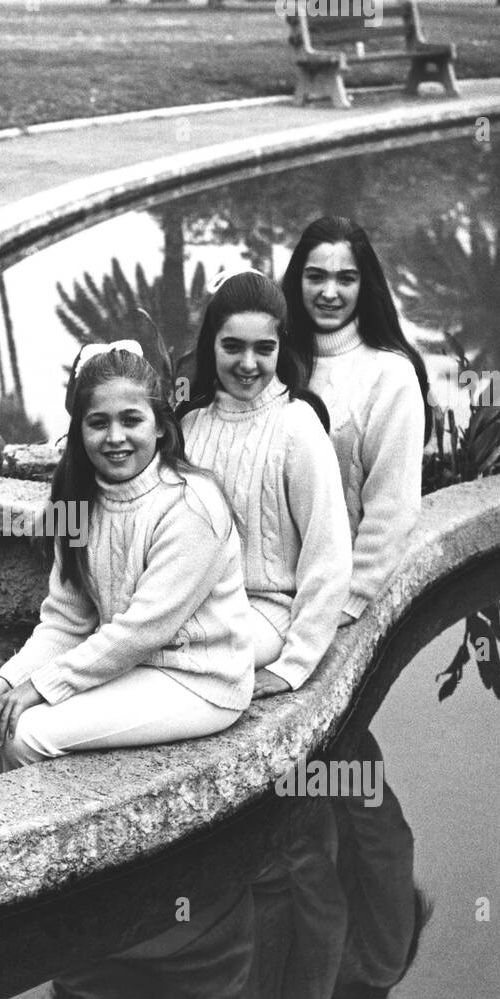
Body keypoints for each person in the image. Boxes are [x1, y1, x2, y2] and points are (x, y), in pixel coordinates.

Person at [0, 342, 255, 778]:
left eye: (131, 420)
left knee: (24, 733)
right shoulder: (79, 501)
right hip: (131, 665)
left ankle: (38, 835)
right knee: (0, 717)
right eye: (98, 423)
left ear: (161, 427)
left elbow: (140, 632)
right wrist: (8, 681)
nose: (115, 438)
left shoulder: (192, 505)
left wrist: (40, 688)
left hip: (199, 679)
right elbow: (66, 620)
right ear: (80, 430)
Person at [178, 271, 352, 698]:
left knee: (162, 655)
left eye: (264, 348)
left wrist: (293, 666)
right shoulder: (189, 423)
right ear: (211, 345)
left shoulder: (297, 426)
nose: (248, 363)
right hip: (191, 603)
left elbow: (327, 554)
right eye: (232, 346)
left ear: (281, 348)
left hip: (267, 614)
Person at [281, 216, 431, 626]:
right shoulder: (271, 360)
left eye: (345, 279)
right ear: (298, 281)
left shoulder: (390, 375)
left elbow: (392, 504)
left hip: (331, 592)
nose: (329, 292)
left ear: (365, 286)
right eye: (316, 277)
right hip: (266, 584)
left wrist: (350, 599)